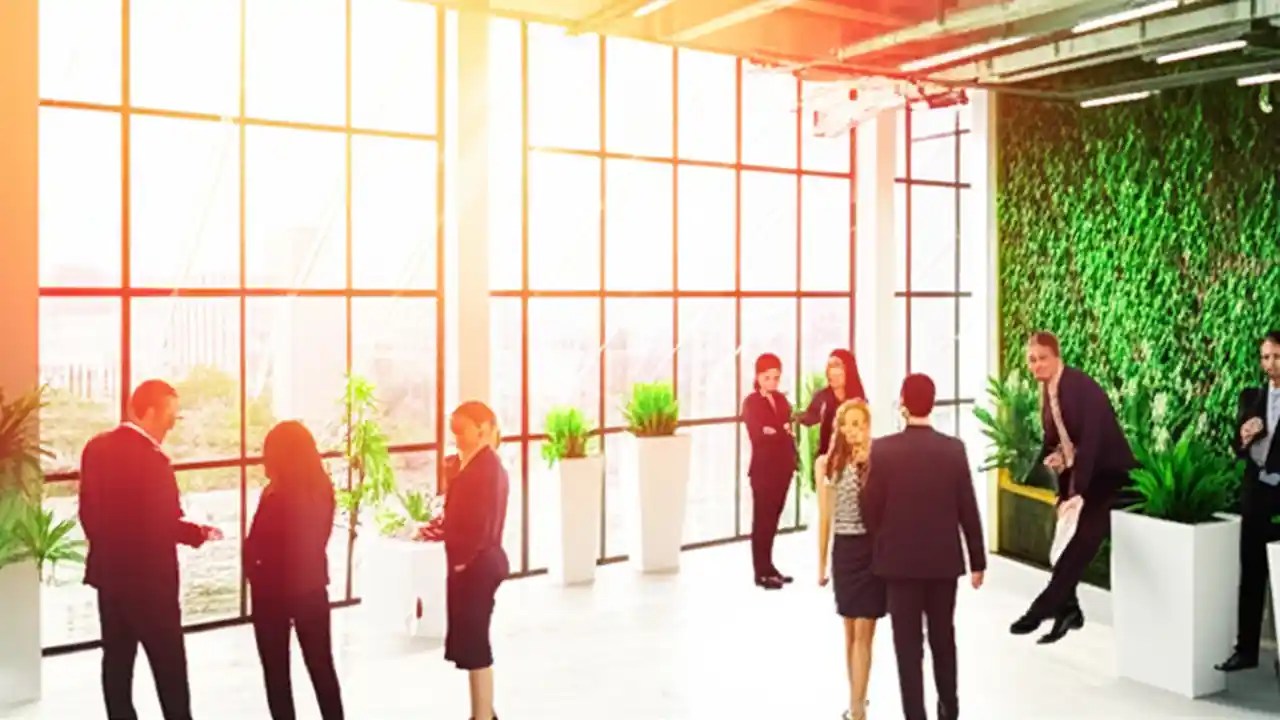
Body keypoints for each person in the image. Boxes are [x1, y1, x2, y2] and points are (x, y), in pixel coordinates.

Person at [78, 379, 222, 720]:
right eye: (171, 415)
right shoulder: (154, 461)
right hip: (151, 586)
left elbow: (88, 514)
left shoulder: (95, 448)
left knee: (117, 663)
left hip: (109, 578)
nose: (172, 425)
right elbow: (163, 523)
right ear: (151, 412)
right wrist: (198, 532)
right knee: (170, 668)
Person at [861, 374, 986, 720]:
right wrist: (977, 561)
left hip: (899, 565)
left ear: (903, 402)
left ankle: (915, 715)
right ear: (933, 402)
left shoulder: (883, 450)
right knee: (943, 640)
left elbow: (869, 507)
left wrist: (882, 539)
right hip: (943, 564)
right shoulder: (953, 449)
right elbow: (968, 508)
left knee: (908, 648)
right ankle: (950, 710)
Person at [1010, 331, 1135, 644]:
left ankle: (1042, 608)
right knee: (1062, 544)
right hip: (1081, 477)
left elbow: (1091, 442)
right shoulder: (1047, 393)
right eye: (1031, 360)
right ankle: (1069, 610)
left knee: (1082, 539)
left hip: (1111, 477)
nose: (1036, 365)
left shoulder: (1080, 386)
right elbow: (1059, 441)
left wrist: (1077, 493)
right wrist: (1057, 464)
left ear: (1057, 357)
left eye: (1042, 358)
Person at [244, 421, 345, 719]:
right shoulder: (321, 489)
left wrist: (253, 568)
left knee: (277, 673)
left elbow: (261, 543)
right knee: (322, 667)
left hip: (272, 594)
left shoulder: (277, 495)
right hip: (312, 587)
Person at [816, 399, 884, 720]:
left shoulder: (879, 460)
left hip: (871, 551)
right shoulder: (827, 464)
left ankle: (857, 709)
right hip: (844, 551)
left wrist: (869, 465)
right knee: (849, 631)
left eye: (861, 424)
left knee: (864, 631)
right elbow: (825, 518)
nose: (855, 430)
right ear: (840, 428)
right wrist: (821, 565)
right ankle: (857, 697)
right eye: (850, 424)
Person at [1216, 330, 1280, 673]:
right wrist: (1244, 436)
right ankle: (1245, 651)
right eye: (1265, 357)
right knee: (1251, 573)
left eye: (1277, 356)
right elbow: (1236, 446)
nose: (1270, 364)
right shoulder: (1251, 397)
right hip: (1256, 494)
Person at [444, 401, 511, 720]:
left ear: (482, 428)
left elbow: (481, 522)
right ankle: (482, 712)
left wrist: (463, 560)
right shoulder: (475, 464)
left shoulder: (487, 468)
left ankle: (482, 715)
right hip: (475, 564)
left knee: (476, 642)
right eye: (452, 428)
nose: (455, 434)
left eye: (460, 428)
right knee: (471, 641)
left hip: (478, 566)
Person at [742, 353, 798, 589]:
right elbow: (758, 435)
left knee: (773, 519)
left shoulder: (781, 400)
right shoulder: (751, 402)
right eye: (767, 378)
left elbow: (785, 429)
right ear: (758, 377)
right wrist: (778, 431)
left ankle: (769, 566)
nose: (773, 382)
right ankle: (761, 572)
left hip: (783, 468)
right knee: (762, 521)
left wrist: (776, 431)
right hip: (763, 471)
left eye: (776, 378)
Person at [796, 349, 867, 462]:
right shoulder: (822, 397)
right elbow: (809, 419)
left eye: (836, 366)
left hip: (853, 457)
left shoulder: (858, 399)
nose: (831, 372)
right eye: (829, 366)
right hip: (826, 458)